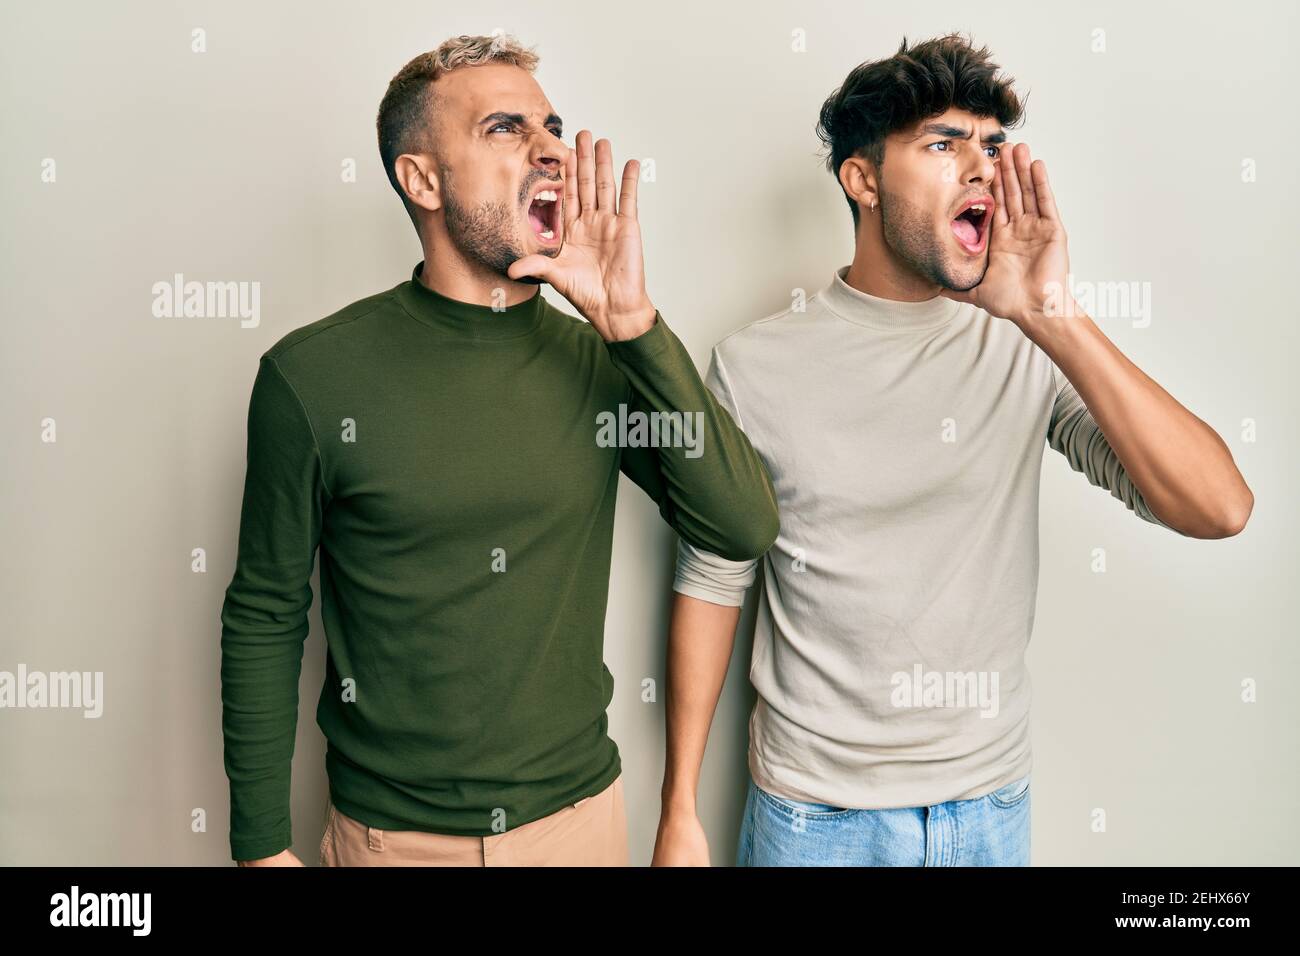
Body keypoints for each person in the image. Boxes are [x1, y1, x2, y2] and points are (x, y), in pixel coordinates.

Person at [651, 33, 1253, 867]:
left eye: (992, 145)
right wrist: (678, 807)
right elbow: (713, 582)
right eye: (943, 143)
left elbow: (1220, 508)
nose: (982, 167)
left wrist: (1054, 318)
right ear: (861, 180)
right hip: (814, 821)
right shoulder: (754, 366)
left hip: (989, 814)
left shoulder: (1025, 345)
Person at [220, 33, 778, 867]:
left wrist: (634, 325)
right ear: (422, 179)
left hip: (580, 826)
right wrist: (260, 849)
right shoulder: (311, 378)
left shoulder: (598, 358)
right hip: (391, 842)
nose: (551, 149)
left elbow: (741, 524)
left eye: (552, 127)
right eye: (506, 129)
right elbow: (265, 616)